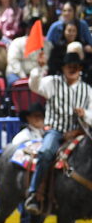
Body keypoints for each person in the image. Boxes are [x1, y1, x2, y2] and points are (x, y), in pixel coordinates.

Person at [25, 49, 92, 212]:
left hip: (79, 133)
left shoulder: (88, 90)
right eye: (69, 66)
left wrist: (86, 114)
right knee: (46, 152)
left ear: (80, 69)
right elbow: (34, 86)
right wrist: (38, 69)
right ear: (62, 68)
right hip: (56, 131)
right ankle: (34, 193)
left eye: (75, 66)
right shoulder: (52, 82)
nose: (72, 69)